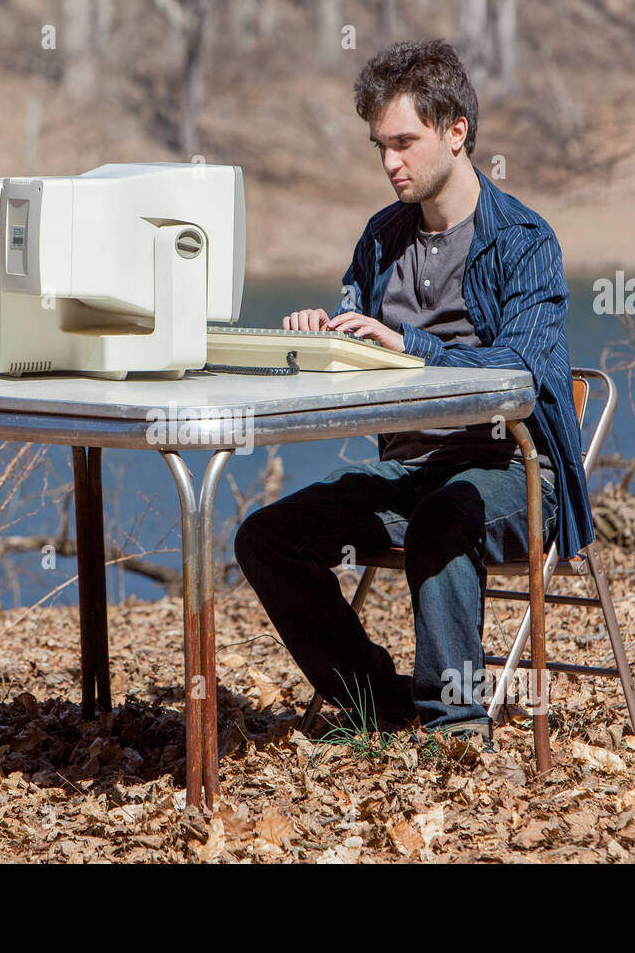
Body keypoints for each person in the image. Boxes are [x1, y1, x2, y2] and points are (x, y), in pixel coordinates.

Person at [233, 38, 595, 743]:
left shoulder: (523, 241)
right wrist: (321, 337)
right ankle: (378, 702)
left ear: (457, 133)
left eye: (405, 141)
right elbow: (357, 342)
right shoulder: (381, 238)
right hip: (408, 470)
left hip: (514, 473)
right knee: (266, 537)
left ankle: (457, 725)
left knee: (444, 513)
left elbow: (519, 368)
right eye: (379, 145)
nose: (390, 162)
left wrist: (414, 348)